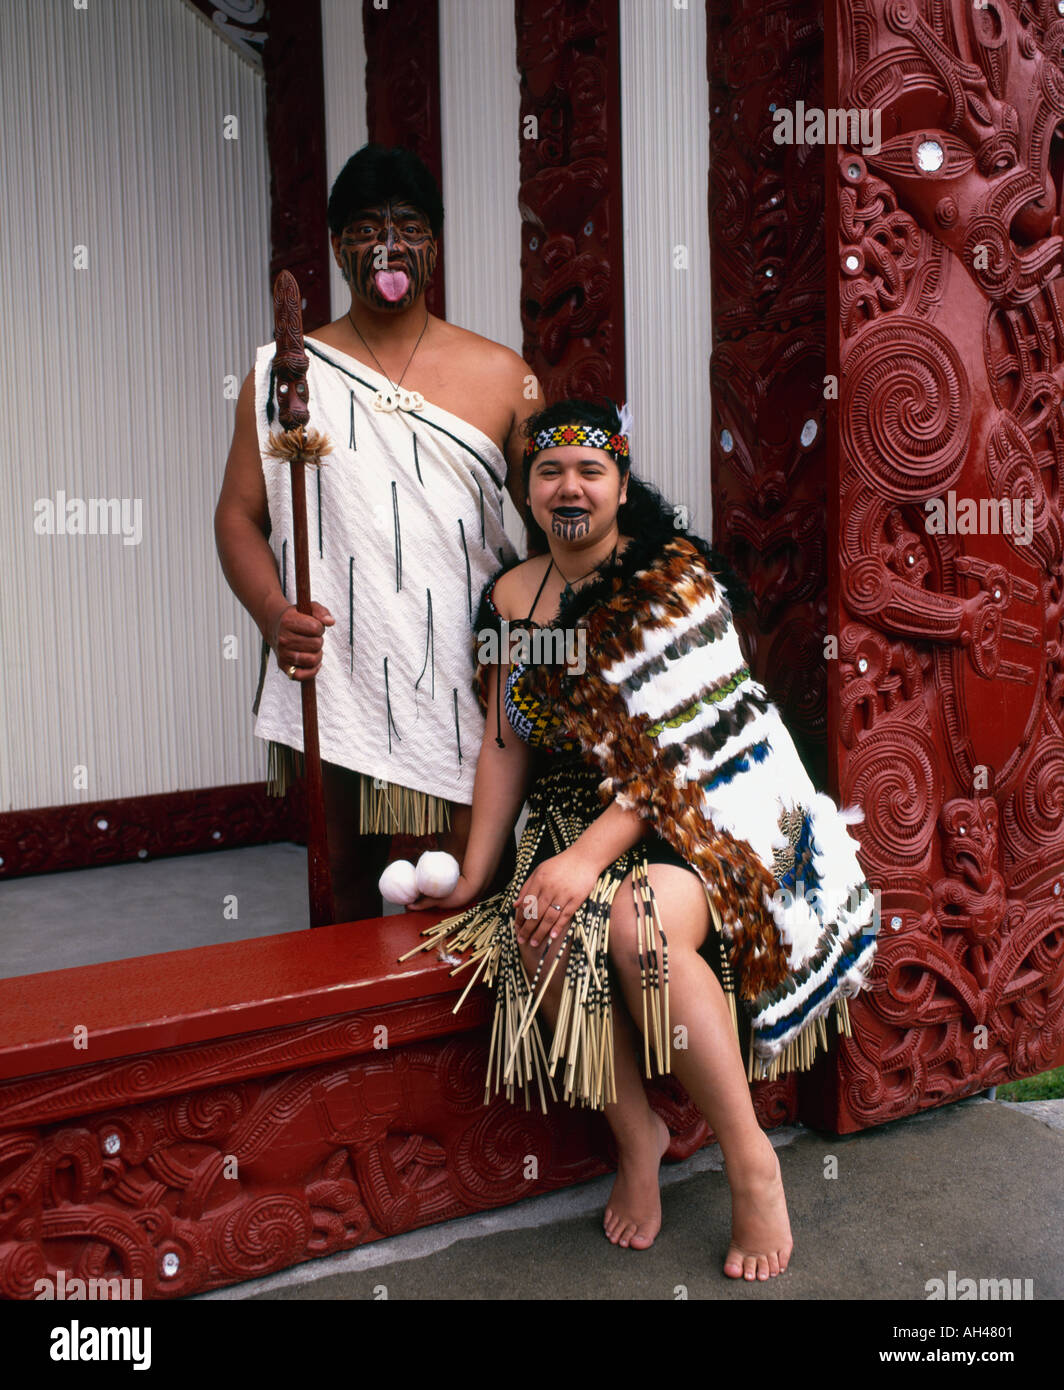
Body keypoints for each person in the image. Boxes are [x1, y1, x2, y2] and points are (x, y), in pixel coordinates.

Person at [404, 397, 878, 1279]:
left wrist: (589, 861)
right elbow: (507, 741)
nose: (569, 486)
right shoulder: (513, 596)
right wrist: (477, 873)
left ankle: (750, 1166)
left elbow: (689, 741)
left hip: (695, 816)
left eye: (590, 470)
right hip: (573, 819)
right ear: (529, 490)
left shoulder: (670, 576)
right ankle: (639, 1138)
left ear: (622, 483)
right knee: (537, 920)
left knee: (640, 930)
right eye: (549, 471)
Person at [215, 145, 537, 920]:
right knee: (345, 897)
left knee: (467, 890)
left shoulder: (502, 375)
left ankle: (460, 1044)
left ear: (436, 242)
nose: (389, 248)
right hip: (340, 671)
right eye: (365, 228)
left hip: (466, 668)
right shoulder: (285, 375)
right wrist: (273, 615)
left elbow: (559, 531)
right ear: (335, 246)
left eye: (409, 228)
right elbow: (238, 515)